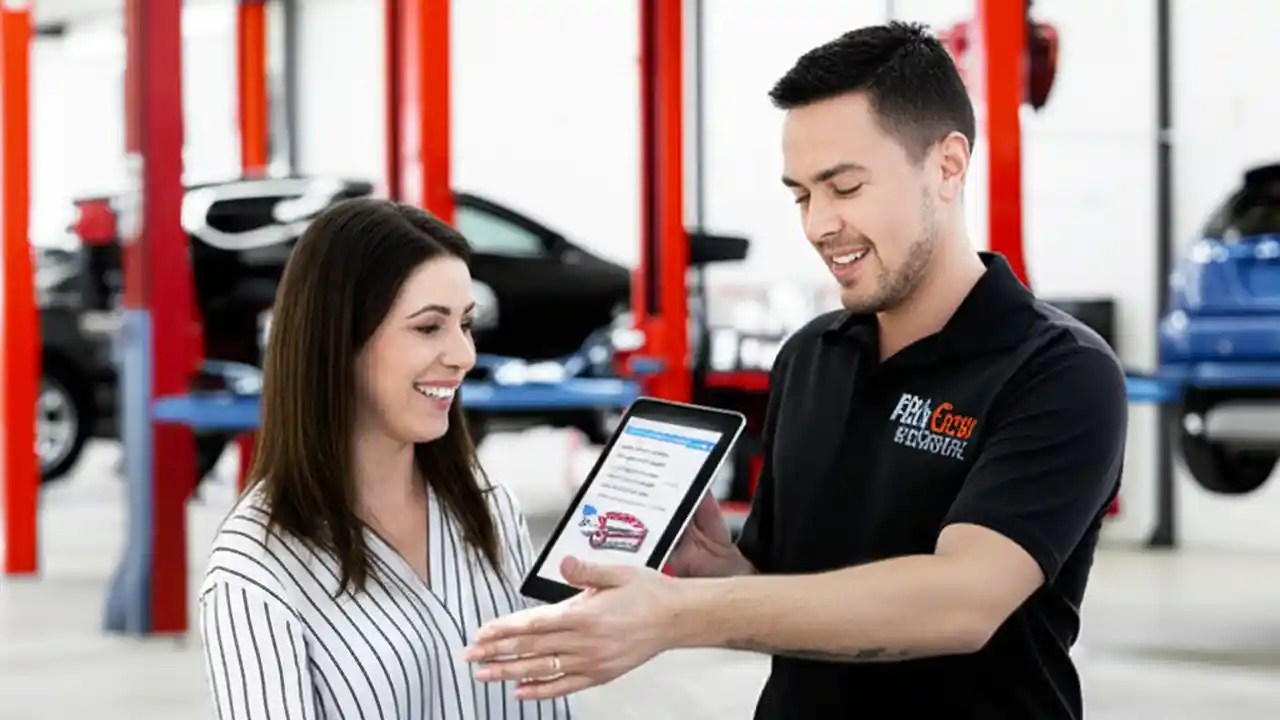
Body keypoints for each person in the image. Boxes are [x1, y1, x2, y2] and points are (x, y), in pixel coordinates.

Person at [463, 21, 1127, 720]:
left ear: (948, 166)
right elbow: (792, 590)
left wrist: (681, 614)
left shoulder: (1060, 372)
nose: (818, 225)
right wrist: (720, 571)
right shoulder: (810, 356)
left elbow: (960, 602)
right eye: (803, 194)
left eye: (845, 187)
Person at [197, 198, 572, 719]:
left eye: (466, 324)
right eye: (428, 327)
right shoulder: (256, 571)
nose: (464, 355)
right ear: (338, 339)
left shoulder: (490, 511)